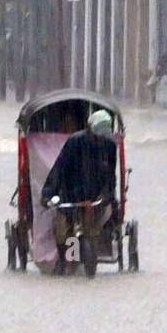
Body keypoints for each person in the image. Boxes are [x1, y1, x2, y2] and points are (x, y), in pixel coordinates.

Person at [41, 109, 118, 268]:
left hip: (95, 198)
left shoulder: (110, 146)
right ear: (90, 130)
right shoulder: (74, 142)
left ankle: (90, 259)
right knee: (63, 230)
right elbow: (59, 170)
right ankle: (64, 260)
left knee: (93, 231)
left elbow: (110, 176)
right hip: (70, 195)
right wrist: (48, 194)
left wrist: (106, 196)